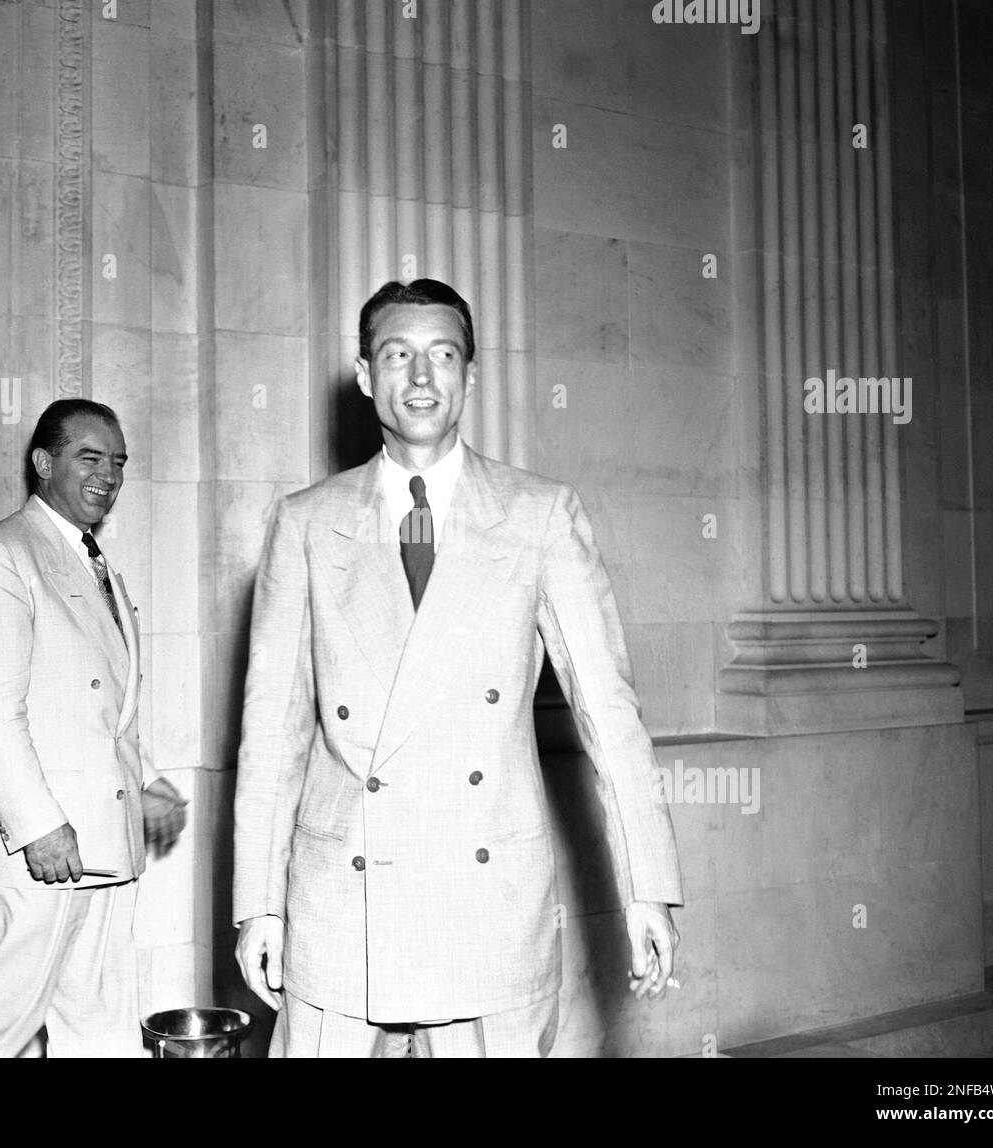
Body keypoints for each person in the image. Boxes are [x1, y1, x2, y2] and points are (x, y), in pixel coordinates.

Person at [233, 279, 683, 1058]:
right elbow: (271, 736)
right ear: (366, 375)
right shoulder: (304, 523)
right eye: (396, 355)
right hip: (343, 899)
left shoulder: (540, 515)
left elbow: (609, 713)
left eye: (442, 356)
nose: (419, 377)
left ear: (470, 376)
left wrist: (647, 886)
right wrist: (257, 906)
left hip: (485, 903)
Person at [0, 399, 187, 1058]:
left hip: (103, 841)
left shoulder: (97, 565)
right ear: (43, 463)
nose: (108, 476)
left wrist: (148, 781)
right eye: (89, 458)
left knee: (99, 1026)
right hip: (42, 851)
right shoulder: (1, 555)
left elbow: (97, 710)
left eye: (117, 462)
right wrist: (37, 823)